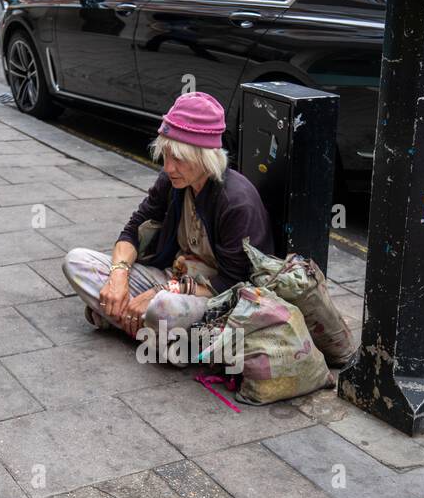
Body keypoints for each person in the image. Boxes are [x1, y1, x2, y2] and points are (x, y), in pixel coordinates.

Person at [62, 92, 273, 353]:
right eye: (166, 155)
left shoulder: (236, 202)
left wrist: (157, 294)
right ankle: (152, 332)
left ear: (205, 157)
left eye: (179, 158)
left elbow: (234, 284)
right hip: (170, 275)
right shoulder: (171, 181)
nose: (169, 167)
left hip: (211, 295)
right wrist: (118, 277)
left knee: (164, 309)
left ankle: (129, 320)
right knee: (76, 261)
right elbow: (133, 231)